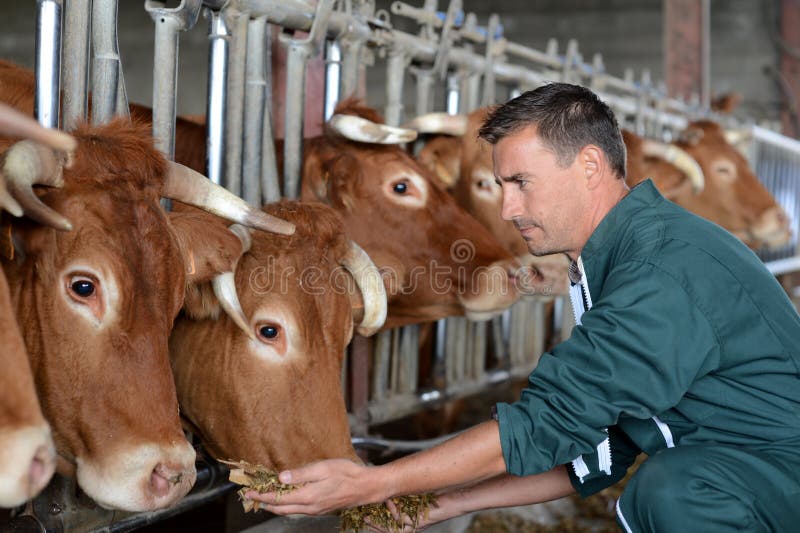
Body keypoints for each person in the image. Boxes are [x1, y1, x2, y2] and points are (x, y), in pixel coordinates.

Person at [245, 83, 800, 532]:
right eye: (500, 185)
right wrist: (438, 505)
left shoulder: (659, 271)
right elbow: (598, 450)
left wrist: (372, 483)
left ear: (589, 166)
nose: (508, 208)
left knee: (672, 493)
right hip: (758, 469)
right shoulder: (631, 252)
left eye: (521, 183)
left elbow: (546, 423)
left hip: (779, 475)